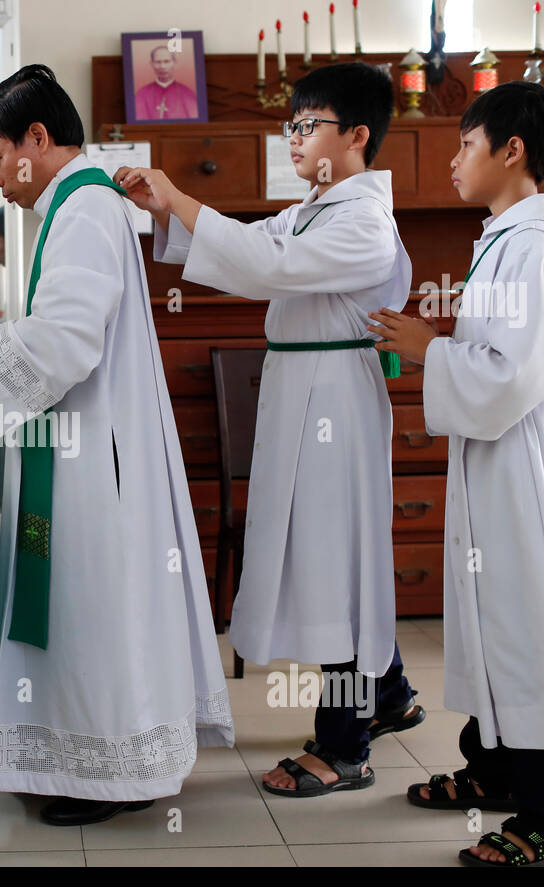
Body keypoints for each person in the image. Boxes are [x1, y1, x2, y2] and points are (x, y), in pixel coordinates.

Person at [0, 64, 234, 826]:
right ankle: (97, 763)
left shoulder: (85, 209)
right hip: (85, 447)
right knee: (97, 612)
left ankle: (108, 773)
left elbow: (65, 342)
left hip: (91, 461)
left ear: (37, 138)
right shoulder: (80, 204)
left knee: (94, 612)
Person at [117, 61, 424, 798]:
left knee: (338, 568)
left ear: (356, 135)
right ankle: (389, 695)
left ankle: (345, 747)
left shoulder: (365, 221)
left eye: (308, 125)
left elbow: (265, 263)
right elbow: (248, 247)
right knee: (326, 555)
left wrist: (179, 197)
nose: (294, 138)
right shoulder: (316, 207)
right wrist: (165, 212)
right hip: (302, 392)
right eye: (291, 125)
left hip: (335, 403)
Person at [369, 81, 544, 867]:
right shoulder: (507, 237)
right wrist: (438, 349)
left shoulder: (535, 246)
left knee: (527, 626)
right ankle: (498, 770)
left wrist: (430, 349)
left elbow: (515, 375)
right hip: (499, 456)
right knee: (492, 618)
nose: (454, 160)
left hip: (523, 461)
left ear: (512, 150)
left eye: (466, 145)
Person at [134, 45, 199, 120]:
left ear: (174, 63)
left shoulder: (188, 94)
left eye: (166, 61)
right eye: (158, 62)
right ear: (151, 64)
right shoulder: (141, 95)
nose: (162, 66)